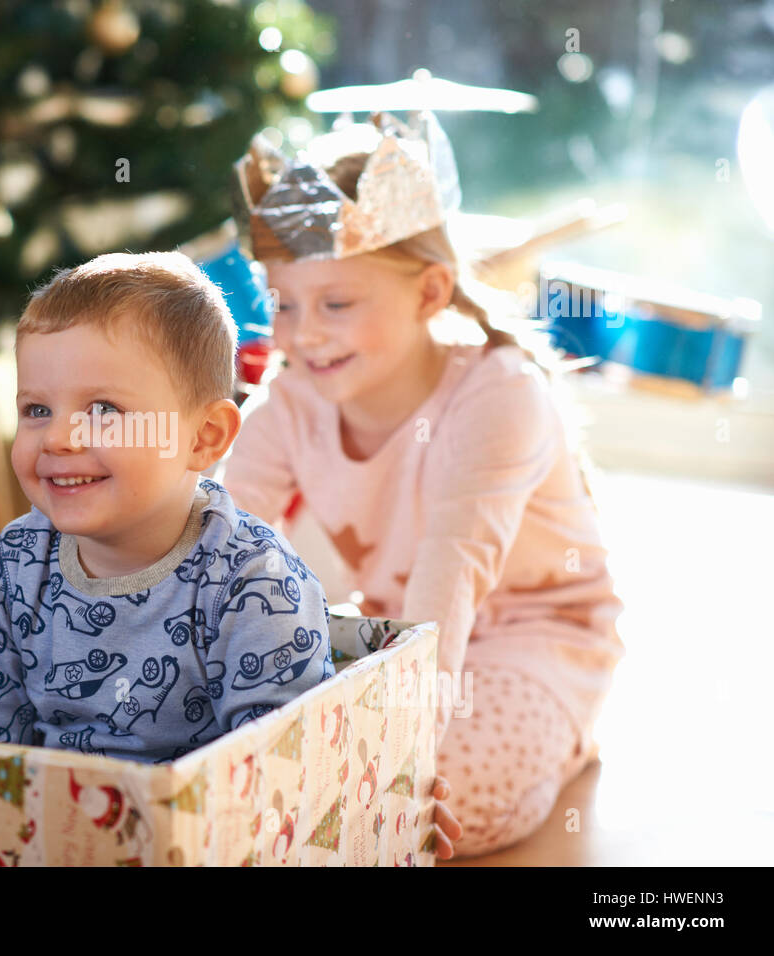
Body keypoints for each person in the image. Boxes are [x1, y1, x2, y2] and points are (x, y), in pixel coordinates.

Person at [221, 112, 622, 858]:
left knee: (429, 796)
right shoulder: (290, 397)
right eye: (283, 302)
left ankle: (565, 735)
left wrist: (396, 758)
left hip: (531, 641)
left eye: (336, 303)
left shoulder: (500, 395)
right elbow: (219, 541)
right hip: (401, 637)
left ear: (431, 292)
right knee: (271, 752)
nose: (303, 334)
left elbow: (450, 575)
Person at [0, 251, 337, 766]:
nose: (57, 437)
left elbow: (282, 773)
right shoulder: (14, 564)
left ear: (203, 438)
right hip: (41, 830)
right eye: (37, 409)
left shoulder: (253, 582)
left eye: (103, 410)